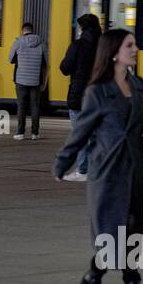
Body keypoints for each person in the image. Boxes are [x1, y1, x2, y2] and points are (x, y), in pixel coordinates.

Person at [52, 28, 143, 284]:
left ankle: (94, 277)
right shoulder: (96, 92)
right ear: (113, 52)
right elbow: (80, 133)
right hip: (107, 175)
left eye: (135, 45)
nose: (136, 49)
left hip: (134, 171)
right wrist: (63, 163)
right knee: (114, 234)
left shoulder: (139, 86)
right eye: (130, 45)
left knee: (129, 235)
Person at [58, 13, 101, 180]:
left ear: (82, 28)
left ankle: (83, 170)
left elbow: (65, 68)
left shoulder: (78, 45)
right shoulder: (104, 45)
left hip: (80, 95)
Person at [9, 22, 47, 141]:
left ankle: (20, 133)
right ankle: (35, 133)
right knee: (35, 107)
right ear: (32, 30)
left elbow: (11, 60)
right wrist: (44, 82)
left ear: (22, 31)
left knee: (21, 106)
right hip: (35, 80)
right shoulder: (42, 44)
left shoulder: (18, 42)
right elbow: (46, 63)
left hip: (21, 80)